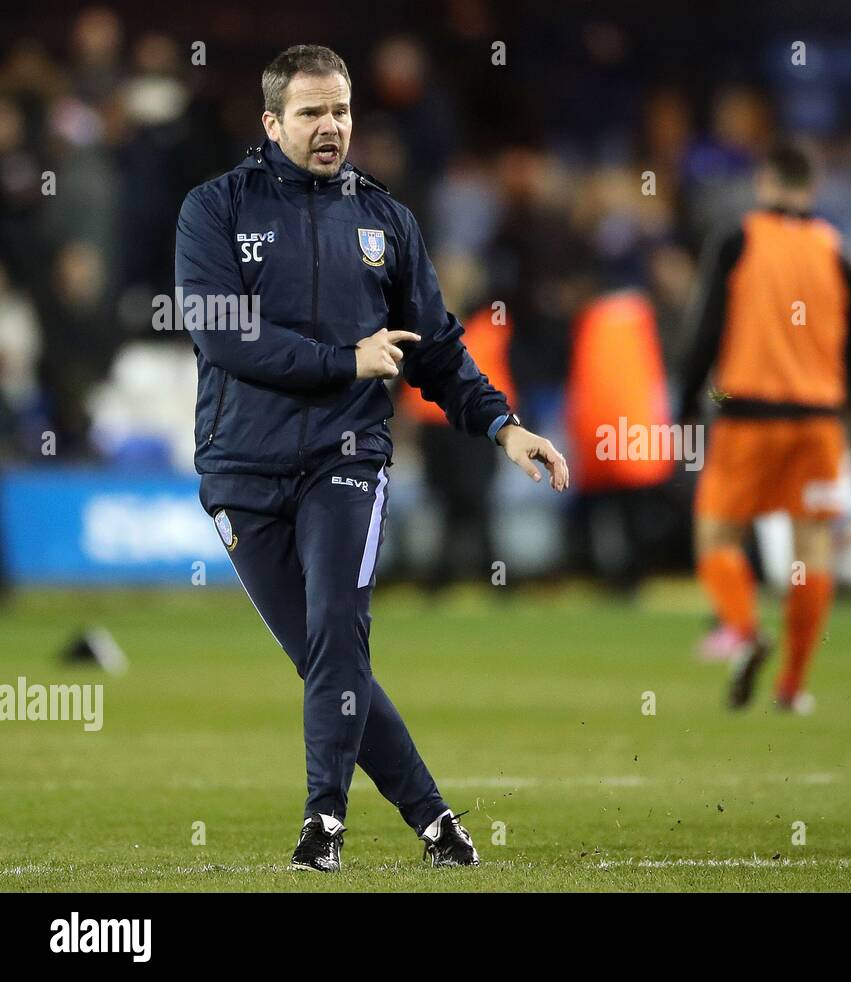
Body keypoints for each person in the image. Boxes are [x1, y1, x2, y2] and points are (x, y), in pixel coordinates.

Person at [175, 44, 568, 872]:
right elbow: (224, 336)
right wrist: (343, 359)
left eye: (342, 112)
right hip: (241, 470)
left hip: (346, 456)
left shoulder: (386, 221)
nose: (330, 128)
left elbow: (437, 352)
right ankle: (436, 823)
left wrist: (504, 426)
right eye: (312, 112)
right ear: (271, 121)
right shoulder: (213, 211)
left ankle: (324, 824)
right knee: (321, 656)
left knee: (337, 637)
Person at [678, 141, 851, 712]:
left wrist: (687, 402)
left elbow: (706, 328)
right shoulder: (839, 253)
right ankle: (792, 687)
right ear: (812, 188)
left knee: (717, 537)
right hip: (819, 422)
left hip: (748, 416)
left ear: (764, 182)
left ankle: (745, 630)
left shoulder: (738, 240)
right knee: (812, 547)